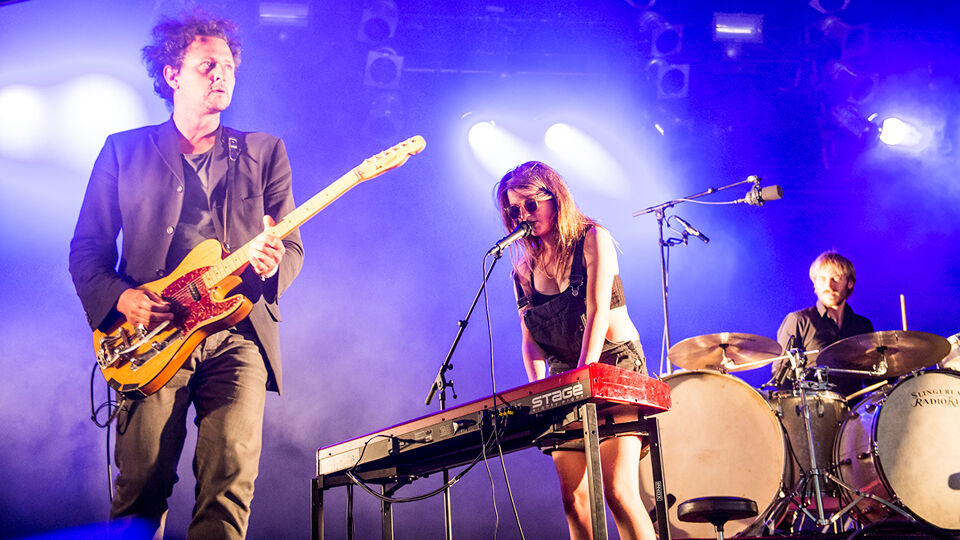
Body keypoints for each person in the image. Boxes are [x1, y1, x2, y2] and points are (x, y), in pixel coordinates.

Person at [69, 11, 303, 539]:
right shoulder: (123, 151)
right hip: (153, 337)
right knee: (140, 492)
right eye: (207, 66)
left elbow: (290, 246)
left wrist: (269, 267)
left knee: (229, 485)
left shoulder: (264, 152)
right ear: (172, 74)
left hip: (237, 334)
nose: (222, 75)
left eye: (228, 66)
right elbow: (86, 250)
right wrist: (123, 299)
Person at [495, 161, 655, 540]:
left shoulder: (592, 237)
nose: (523, 216)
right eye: (514, 210)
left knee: (617, 490)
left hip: (614, 367)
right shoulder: (522, 269)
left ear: (555, 198)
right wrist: (538, 391)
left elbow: (597, 311)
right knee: (575, 501)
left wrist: (583, 380)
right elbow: (530, 338)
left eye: (530, 205)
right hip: (564, 376)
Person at [773, 251, 874, 397]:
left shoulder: (862, 326)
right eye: (822, 279)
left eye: (836, 278)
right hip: (811, 413)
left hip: (855, 413)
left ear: (850, 283)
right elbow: (781, 379)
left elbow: (874, 377)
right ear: (814, 282)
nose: (829, 285)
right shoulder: (798, 321)